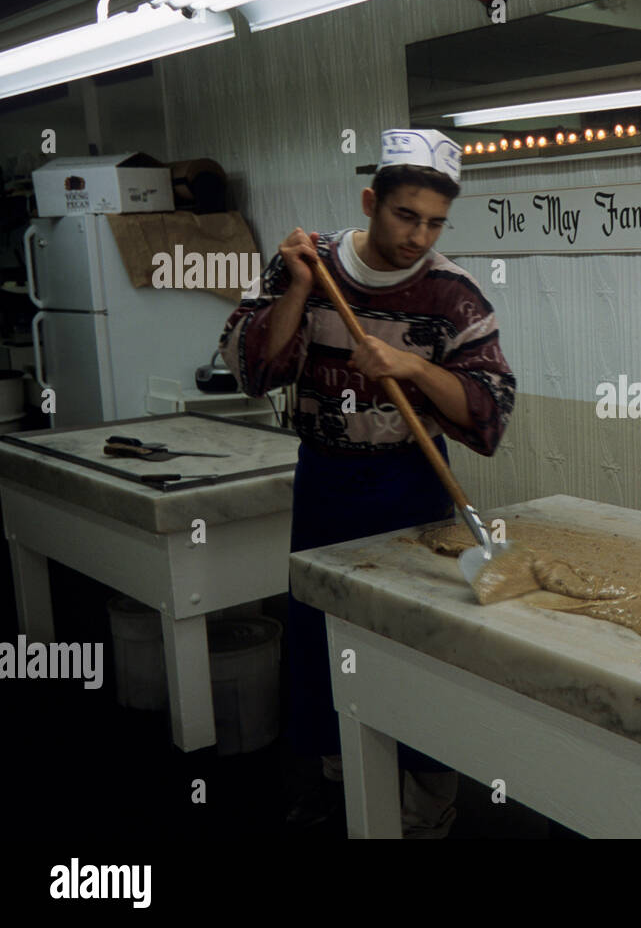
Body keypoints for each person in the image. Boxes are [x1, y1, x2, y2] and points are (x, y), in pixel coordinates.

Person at [217, 128, 515, 837]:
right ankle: (343, 789)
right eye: (405, 215)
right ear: (369, 201)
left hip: (411, 488)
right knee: (322, 643)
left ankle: (426, 809)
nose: (418, 236)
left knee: (416, 648)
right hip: (323, 481)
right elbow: (250, 370)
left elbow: (491, 412)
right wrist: (294, 290)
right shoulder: (306, 263)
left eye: (435, 222)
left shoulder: (454, 296)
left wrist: (413, 368)